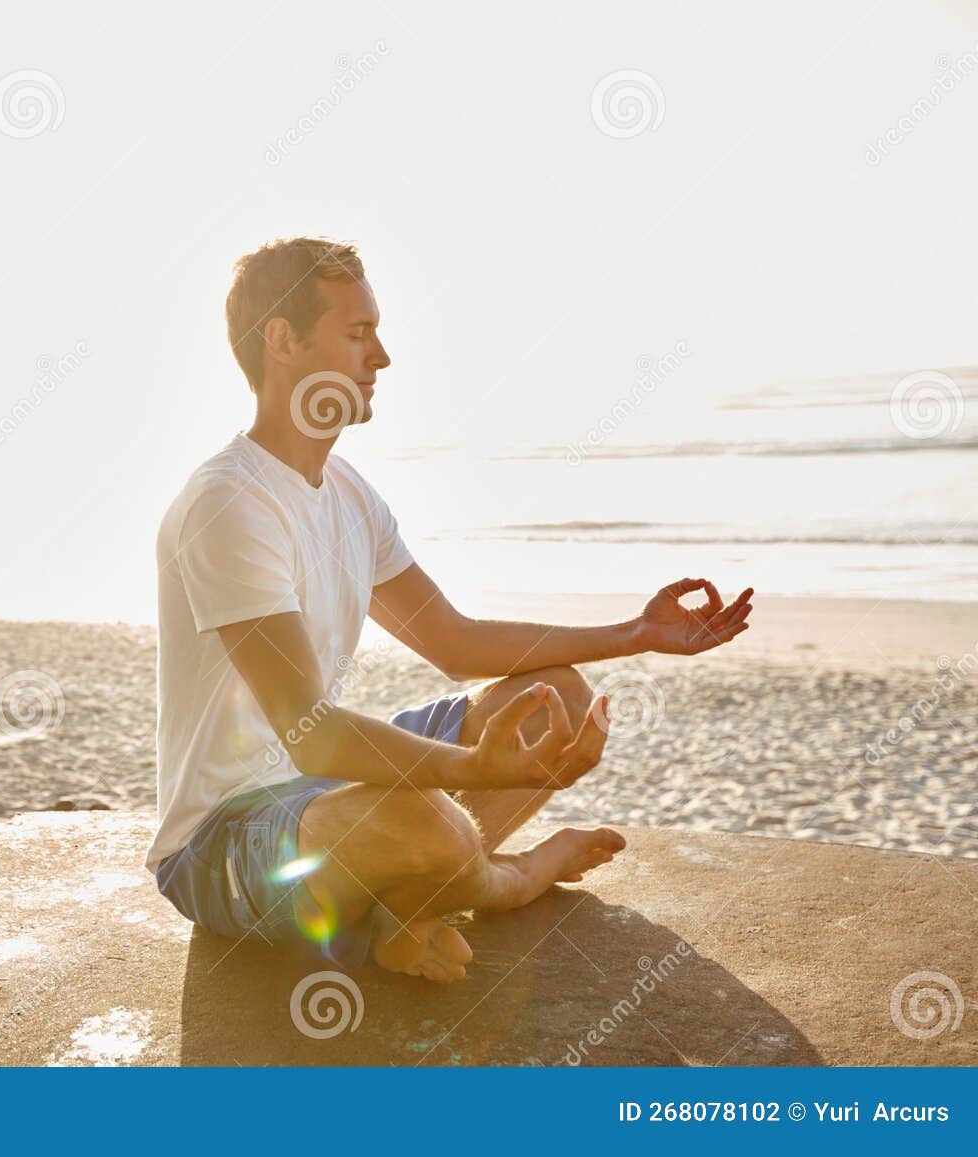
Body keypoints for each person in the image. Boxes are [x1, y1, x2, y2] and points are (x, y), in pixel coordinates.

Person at [149, 237, 754, 982]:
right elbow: (312, 734)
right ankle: (510, 878)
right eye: (358, 332)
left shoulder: (347, 494)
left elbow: (453, 640)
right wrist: (477, 767)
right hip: (225, 837)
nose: (382, 358)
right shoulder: (230, 502)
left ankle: (406, 908)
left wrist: (637, 634)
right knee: (421, 818)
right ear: (283, 341)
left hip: (319, 798)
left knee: (555, 696)